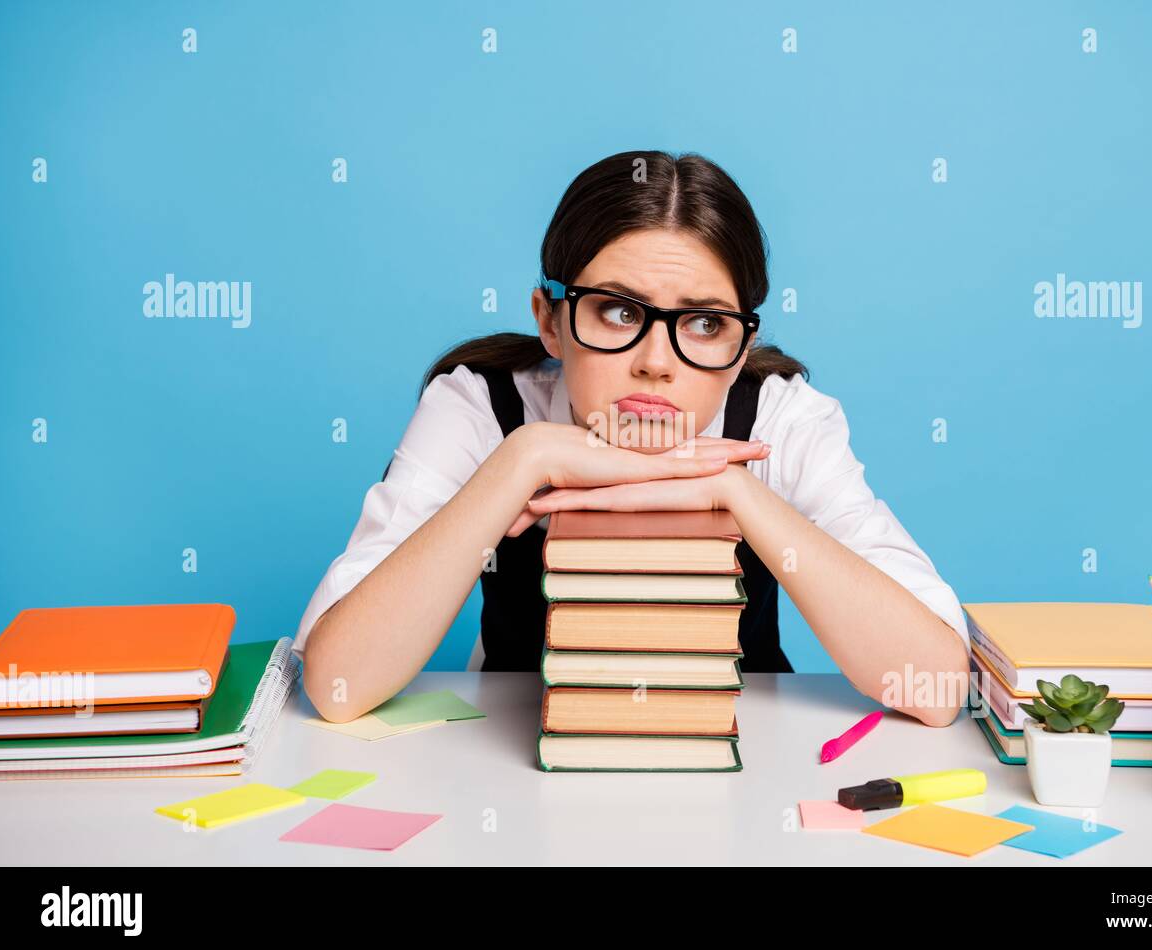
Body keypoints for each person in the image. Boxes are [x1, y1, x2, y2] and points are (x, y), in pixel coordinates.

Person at [295, 150, 969, 727]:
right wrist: (525, 458)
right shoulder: (483, 407)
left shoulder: (782, 419)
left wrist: (736, 492)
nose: (657, 360)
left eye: (704, 324)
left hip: (752, 761)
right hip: (516, 762)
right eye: (619, 312)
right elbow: (337, 684)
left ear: (741, 350)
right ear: (552, 322)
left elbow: (937, 687)